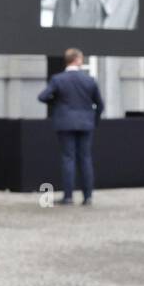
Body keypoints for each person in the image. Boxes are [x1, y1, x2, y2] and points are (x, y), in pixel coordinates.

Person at [37, 48, 105, 206]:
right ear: (78, 60)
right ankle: (87, 197)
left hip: (65, 123)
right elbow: (100, 105)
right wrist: (94, 120)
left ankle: (68, 197)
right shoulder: (89, 80)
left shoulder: (58, 79)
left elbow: (43, 96)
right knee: (85, 159)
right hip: (86, 124)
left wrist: (57, 104)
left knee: (68, 159)